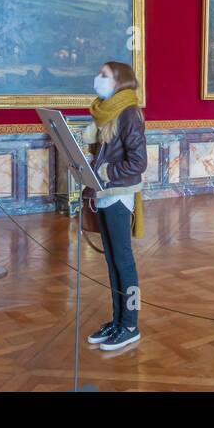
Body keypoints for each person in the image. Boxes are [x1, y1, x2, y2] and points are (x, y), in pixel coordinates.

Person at [82, 60, 147, 351]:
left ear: (119, 81)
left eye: (104, 75)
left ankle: (130, 324)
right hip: (104, 193)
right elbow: (104, 150)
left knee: (123, 260)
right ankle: (118, 319)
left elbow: (138, 162)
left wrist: (105, 171)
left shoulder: (129, 113)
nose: (98, 78)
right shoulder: (106, 111)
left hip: (120, 193)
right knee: (111, 260)